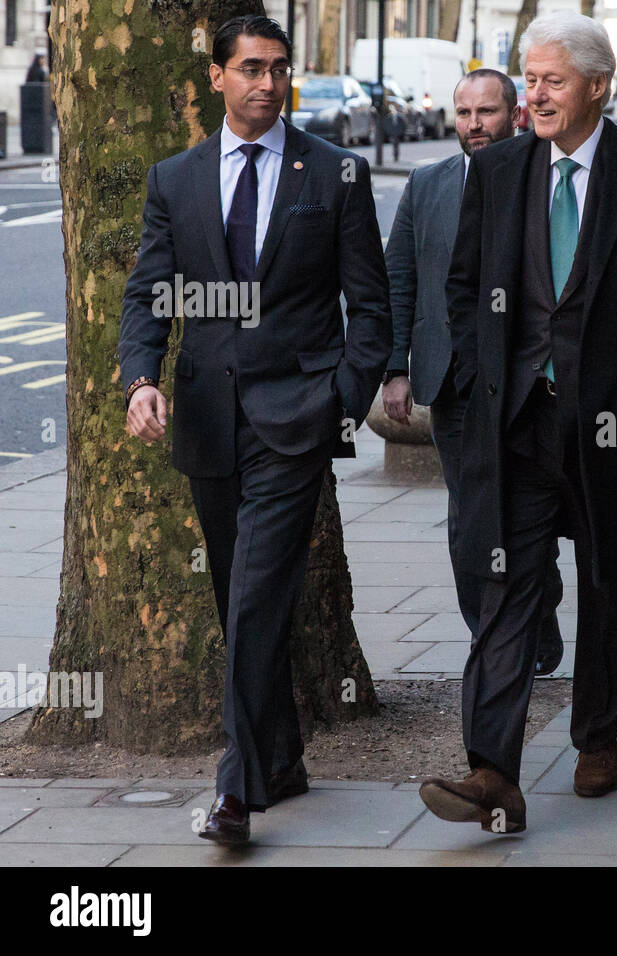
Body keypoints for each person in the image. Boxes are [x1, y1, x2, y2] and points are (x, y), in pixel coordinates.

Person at [422, 11, 617, 834]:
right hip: (516, 423)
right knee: (505, 591)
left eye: (553, 80)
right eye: (530, 79)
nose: (536, 95)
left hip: (615, 428)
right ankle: (492, 771)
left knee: (604, 584)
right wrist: (484, 376)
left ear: (598, 84)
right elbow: (462, 285)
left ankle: (598, 737)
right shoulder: (498, 171)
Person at [118, 15, 391, 846]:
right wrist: (140, 379)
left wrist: (338, 402)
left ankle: (236, 792)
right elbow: (148, 292)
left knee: (254, 594)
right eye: (250, 69)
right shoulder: (177, 178)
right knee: (239, 592)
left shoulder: (335, 173)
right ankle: (281, 755)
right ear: (216, 78)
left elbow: (371, 309)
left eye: (278, 69)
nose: (267, 83)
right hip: (207, 419)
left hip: (296, 421)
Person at [382, 69, 567, 678]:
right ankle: (488, 634)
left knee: (522, 511)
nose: (473, 125)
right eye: (464, 114)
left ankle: (538, 611)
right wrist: (395, 370)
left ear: (514, 114)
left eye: (486, 113)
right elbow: (400, 280)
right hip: (451, 381)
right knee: (468, 517)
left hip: (522, 384)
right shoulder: (426, 183)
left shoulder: (539, 177)